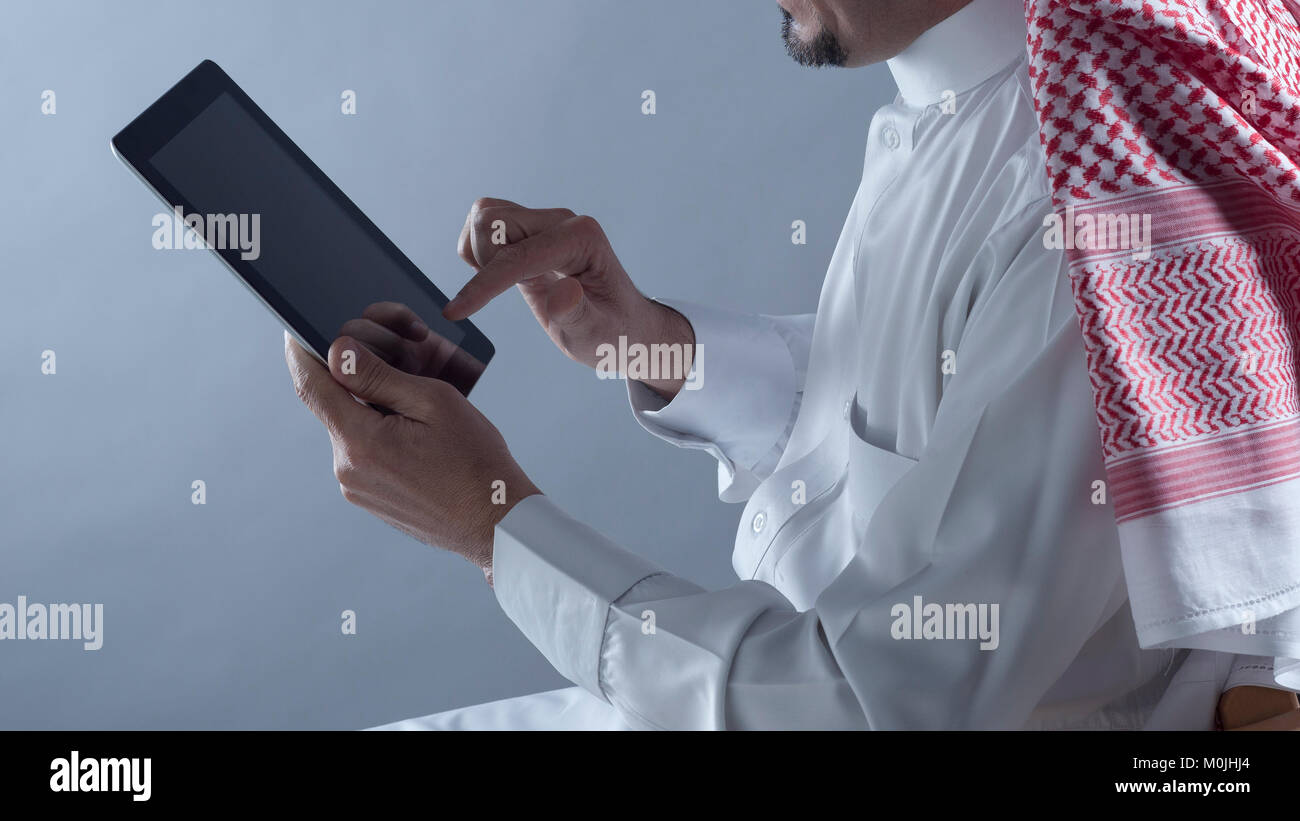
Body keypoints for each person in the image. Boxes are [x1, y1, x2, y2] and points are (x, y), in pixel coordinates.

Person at [284, 0, 1300, 729]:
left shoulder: (1088, 210)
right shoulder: (990, 93)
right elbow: (925, 407)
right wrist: (643, 340)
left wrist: (492, 521)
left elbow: (884, 701)